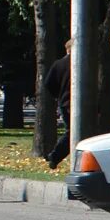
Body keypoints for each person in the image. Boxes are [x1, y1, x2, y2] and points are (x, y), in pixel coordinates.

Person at [43, 40, 71, 169]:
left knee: (69, 131)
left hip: (64, 102)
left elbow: (49, 84)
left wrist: (58, 96)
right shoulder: (81, 64)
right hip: (70, 102)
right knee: (72, 133)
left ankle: (55, 156)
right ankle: (55, 155)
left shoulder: (58, 64)